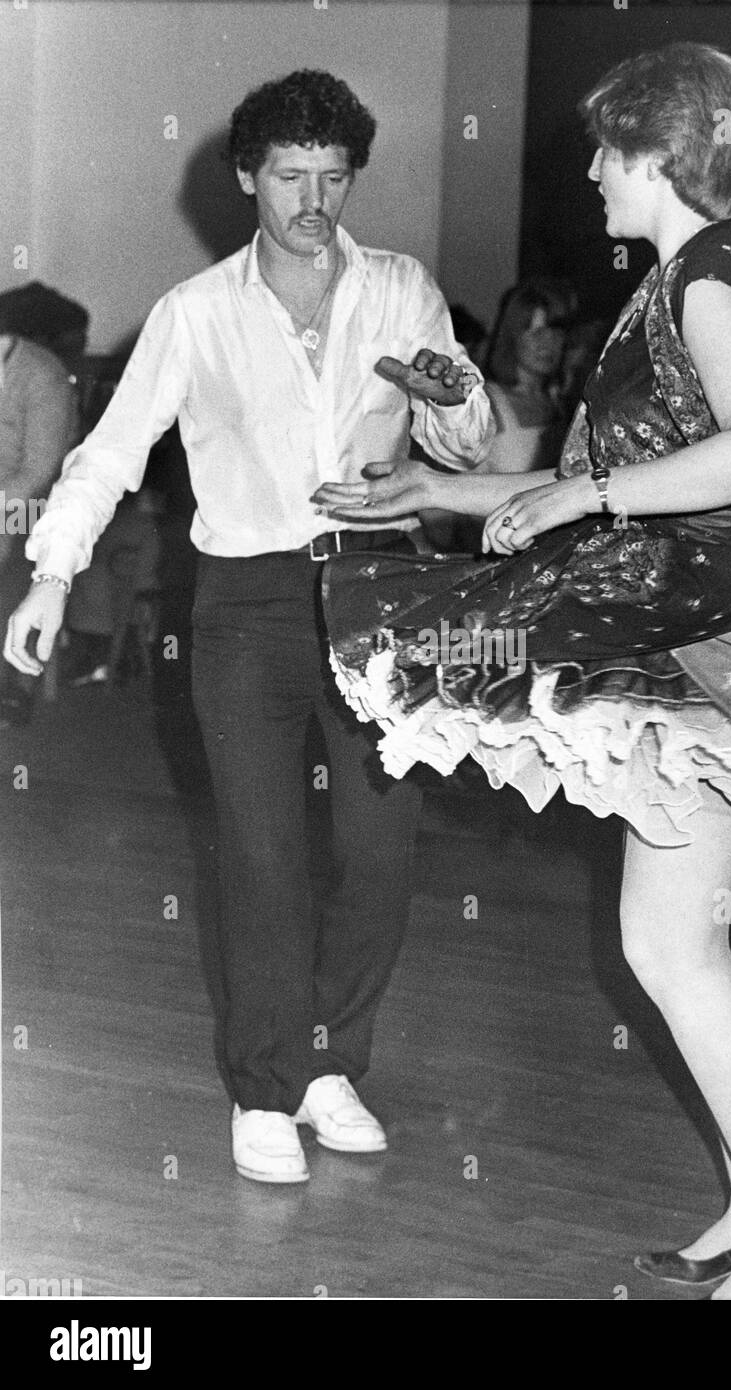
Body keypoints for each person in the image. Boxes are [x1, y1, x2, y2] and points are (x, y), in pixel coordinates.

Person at [313, 42, 731, 1299]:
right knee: (672, 942)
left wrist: (577, 496)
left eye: (608, 150)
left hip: (713, 630)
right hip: (685, 612)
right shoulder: (672, 283)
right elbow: (597, 489)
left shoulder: (703, 277)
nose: (593, 173)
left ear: (656, 154)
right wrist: (441, 487)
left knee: (673, 947)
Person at [4, 69, 493, 1184]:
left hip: (378, 593)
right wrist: (47, 578)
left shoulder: (402, 289)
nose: (313, 201)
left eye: (332, 177)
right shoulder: (194, 314)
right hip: (243, 607)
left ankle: (329, 1062)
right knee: (264, 856)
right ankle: (266, 1086)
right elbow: (110, 455)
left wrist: (450, 394)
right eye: (289, 177)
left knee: (378, 858)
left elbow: (464, 448)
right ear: (245, 178)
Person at [0, 327, 79, 724]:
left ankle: (12, 687)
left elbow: (38, 470)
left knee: (12, 554)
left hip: (36, 503)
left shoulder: (41, 375)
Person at [483, 278, 572, 475]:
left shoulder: (559, 400)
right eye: (537, 333)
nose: (548, 345)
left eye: (556, 333)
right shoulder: (486, 402)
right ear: (513, 337)